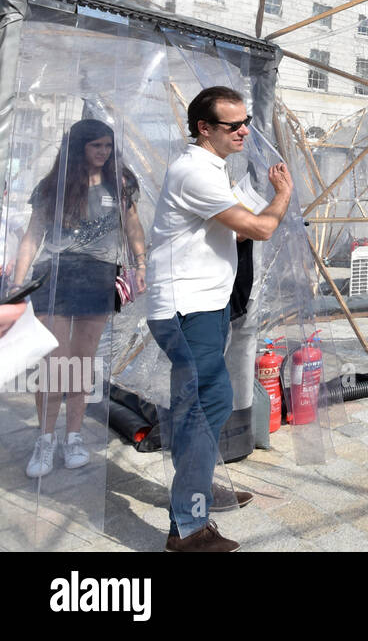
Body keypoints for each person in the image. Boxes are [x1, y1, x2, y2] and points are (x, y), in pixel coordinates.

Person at [146, 86, 292, 553]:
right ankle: (188, 527)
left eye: (245, 121)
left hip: (205, 305)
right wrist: (283, 194)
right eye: (234, 125)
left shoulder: (211, 168)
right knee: (198, 411)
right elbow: (260, 227)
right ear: (204, 129)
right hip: (186, 311)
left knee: (211, 404)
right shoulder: (195, 172)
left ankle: (199, 493)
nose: (244, 130)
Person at [12, 118, 148, 479]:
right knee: (54, 362)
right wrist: (17, 283)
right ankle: (45, 438)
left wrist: (140, 263)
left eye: (107, 146)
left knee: (83, 360)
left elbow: (132, 225)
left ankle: (73, 436)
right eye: (95, 146)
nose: (103, 153)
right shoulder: (53, 186)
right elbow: (33, 234)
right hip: (55, 274)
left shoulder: (119, 182)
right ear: (78, 148)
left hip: (98, 275)